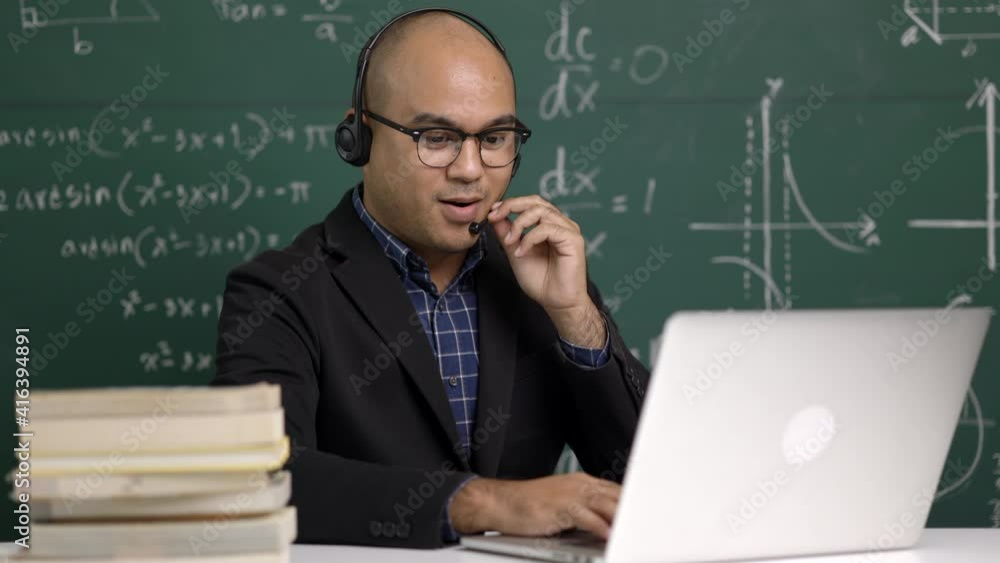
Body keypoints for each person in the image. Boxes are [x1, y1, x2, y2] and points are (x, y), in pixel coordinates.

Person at [212, 8, 650, 549]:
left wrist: (576, 318)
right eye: (437, 137)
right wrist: (483, 501)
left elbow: (650, 480)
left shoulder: (539, 280)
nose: (470, 169)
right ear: (361, 137)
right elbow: (262, 481)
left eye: (495, 138)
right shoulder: (279, 291)